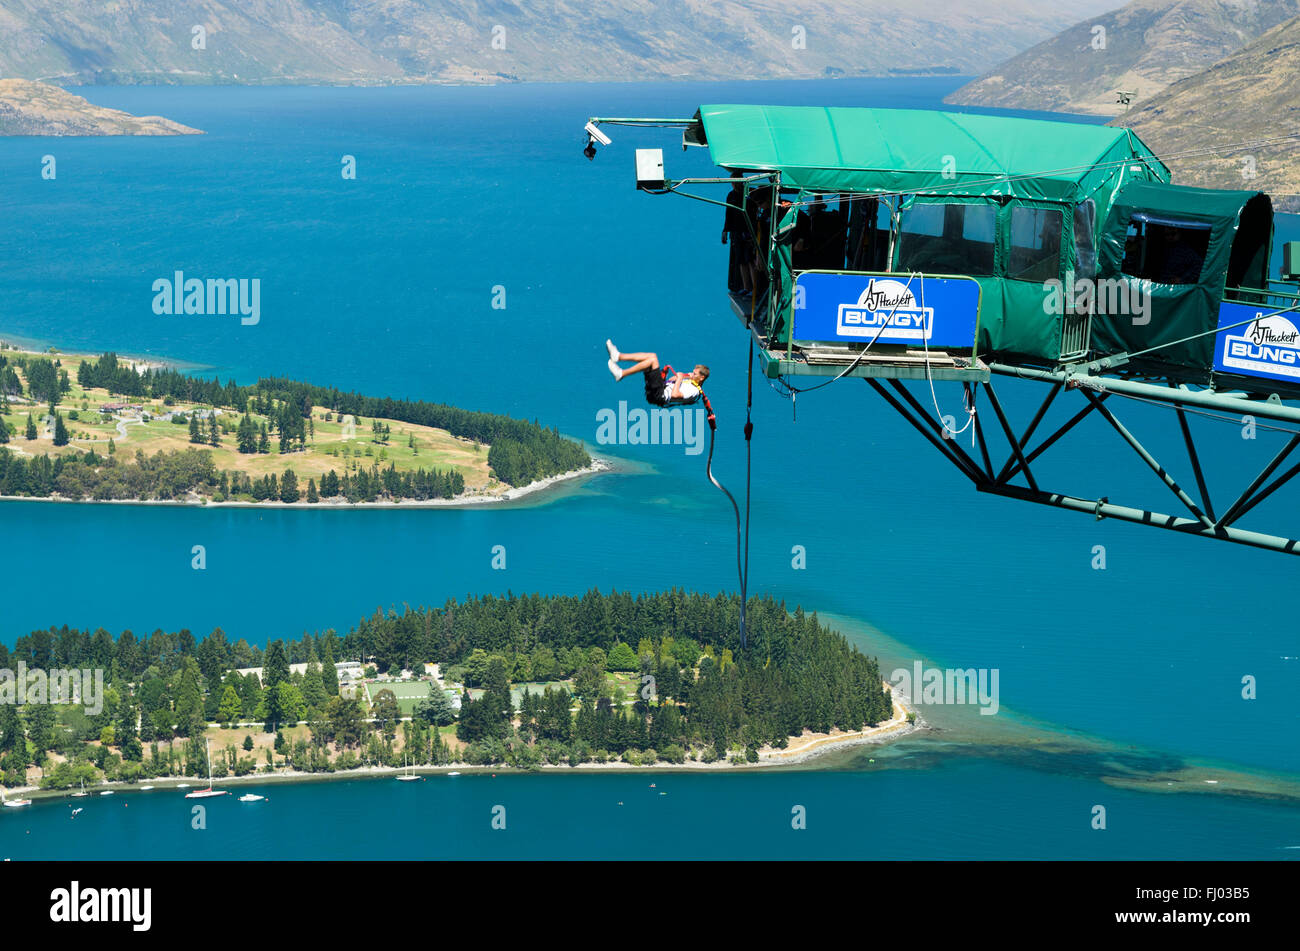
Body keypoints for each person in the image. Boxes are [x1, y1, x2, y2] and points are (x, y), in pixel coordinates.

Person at [606, 340, 709, 406]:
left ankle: (621, 373)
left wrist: (680, 379)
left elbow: (675, 395)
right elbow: (672, 380)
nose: (692, 373)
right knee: (651, 358)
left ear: (701, 378)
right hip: (659, 390)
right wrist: (683, 377)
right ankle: (618, 356)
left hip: (660, 395)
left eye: (694, 374)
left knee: (653, 359)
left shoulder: (694, 391)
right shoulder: (690, 383)